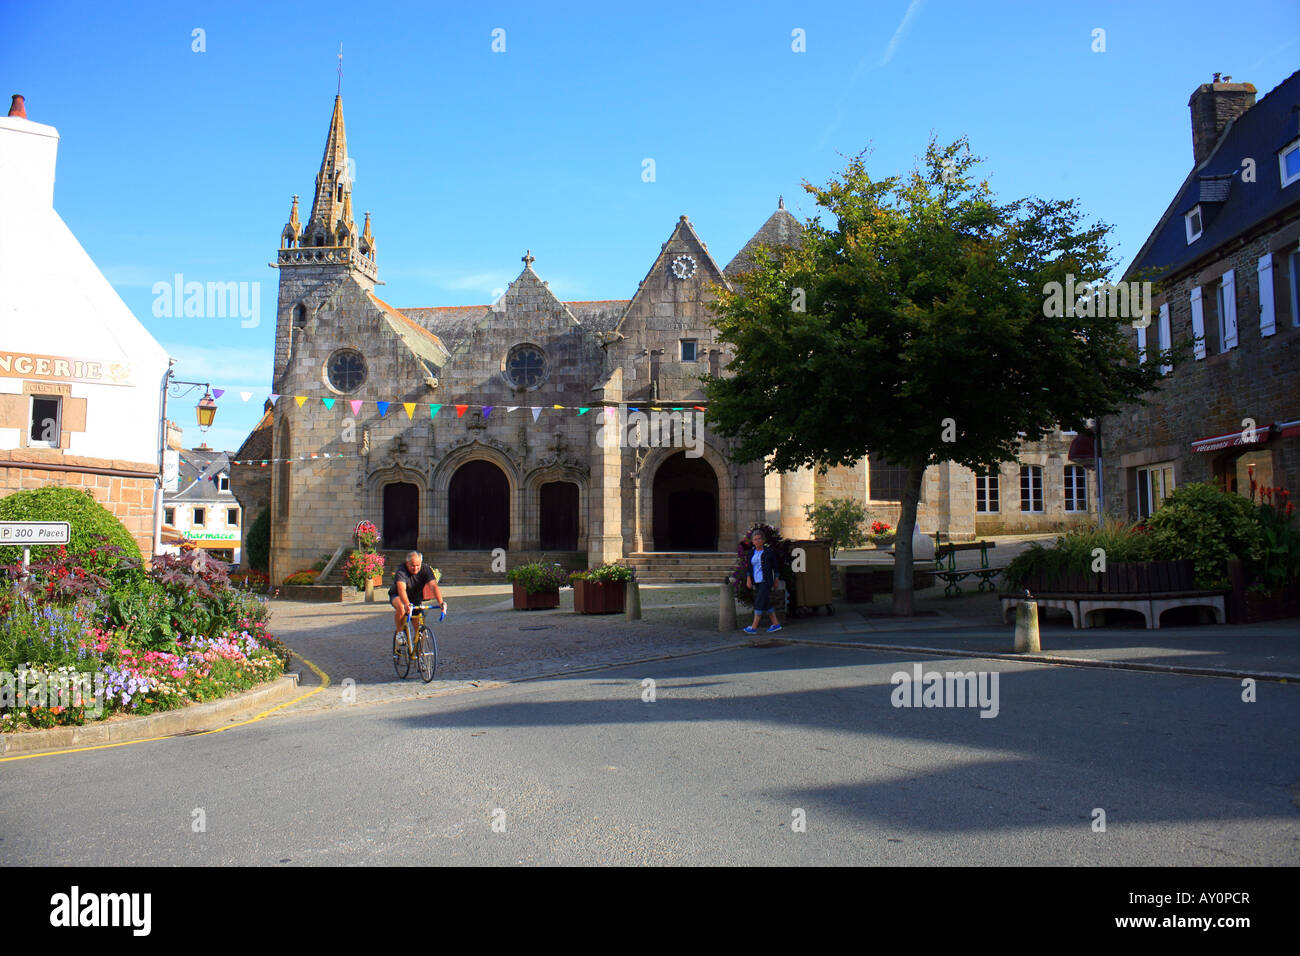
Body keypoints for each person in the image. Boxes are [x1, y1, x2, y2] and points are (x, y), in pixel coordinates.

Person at [390, 550, 447, 642]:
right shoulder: (401, 571)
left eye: (418, 565)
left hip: (415, 597)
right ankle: (400, 633)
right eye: (412, 565)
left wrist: (441, 602)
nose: (415, 568)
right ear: (407, 563)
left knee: (420, 629)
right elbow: (401, 589)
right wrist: (406, 604)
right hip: (398, 595)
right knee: (401, 607)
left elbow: (433, 586)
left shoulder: (426, 569)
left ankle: (419, 652)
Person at [743, 529, 782, 634]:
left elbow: (776, 567)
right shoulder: (752, 552)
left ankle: (754, 627)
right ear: (753, 541)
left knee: (759, 602)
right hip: (757, 580)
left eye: (759, 539)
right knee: (765, 602)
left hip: (766, 580)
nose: (757, 541)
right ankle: (776, 624)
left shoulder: (769, 552)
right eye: (755, 539)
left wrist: (776, 579)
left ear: (763, 540)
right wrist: (748, 579)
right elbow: (749, 567)